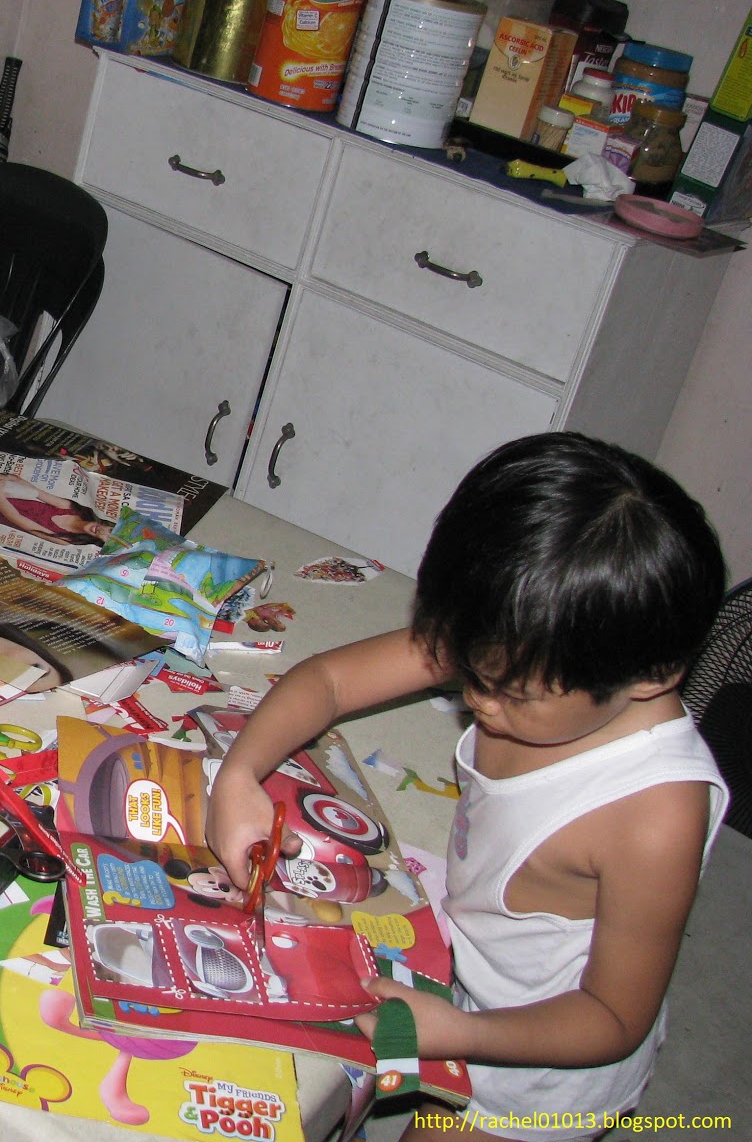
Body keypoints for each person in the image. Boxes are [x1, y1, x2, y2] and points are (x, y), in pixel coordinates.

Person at [204, 432, 729, 1142]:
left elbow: (612, 1017)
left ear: (649, 676)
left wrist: (459, 1031)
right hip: (462, 959)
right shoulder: (527, 636)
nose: (476, 698)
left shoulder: (655, 819)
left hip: (537, 1070)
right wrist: (240, 773)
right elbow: (328, 680)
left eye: (510, 692)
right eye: (473, 670)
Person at [0, 471, 114, 546]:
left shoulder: (67, 540)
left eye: (107, 538)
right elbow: (37, 492)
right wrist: (6, 478)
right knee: (28, 492)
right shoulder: (73, 509)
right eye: (110, 530)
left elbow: (17, 519)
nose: (102, 532)